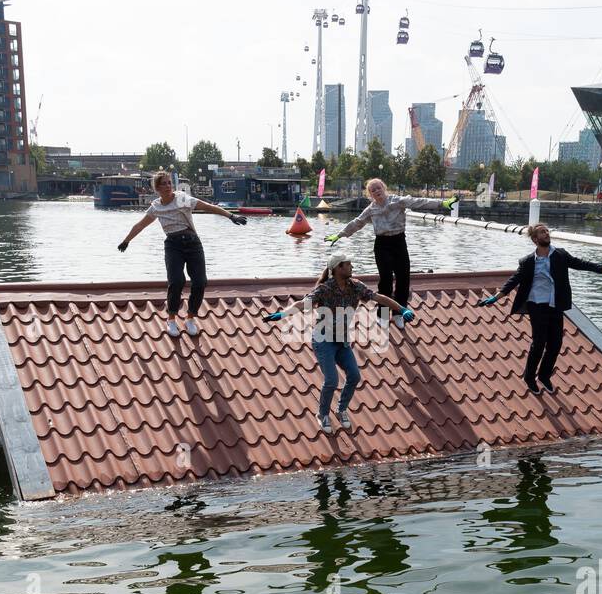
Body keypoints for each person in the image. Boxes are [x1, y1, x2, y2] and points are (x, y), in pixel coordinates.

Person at [264, 250, 412, 433]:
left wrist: (401, 309)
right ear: (338, 268)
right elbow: (303, 303)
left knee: (355, 376)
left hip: (342, 342)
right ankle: (322, 414)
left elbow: (378, 297)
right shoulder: (324, 289)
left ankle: (341, 409)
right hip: (323, 340)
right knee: (332, 380)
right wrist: (283, 314)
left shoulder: (355, 286)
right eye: (348, 264)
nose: (352, 267)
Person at [480, 223, 602, 394]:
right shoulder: (527, 262)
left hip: (554, 305)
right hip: (536, 305)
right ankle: (529, 376)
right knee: (539, 343)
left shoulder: (560, 255)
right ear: (535, 239)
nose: (547, 233)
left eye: (547, 231)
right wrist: (495, 298)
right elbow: (514, 280)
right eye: (542, 232)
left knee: (556, 344)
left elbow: (580, 263)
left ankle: (544, 375)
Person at [117, 170, 249, 337]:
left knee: (200, 282)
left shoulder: (182, 198)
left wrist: (230, 216)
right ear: (157, 188)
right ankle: (171, 320)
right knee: (176, 281)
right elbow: (139, 225)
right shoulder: (156, 207)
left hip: (193, 243)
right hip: (173, 245)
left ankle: (190, 318)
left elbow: (207, 207)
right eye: (163, 184)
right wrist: (126, 241)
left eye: (169, 183)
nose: (167, 186)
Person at [325, 178, 457, 328]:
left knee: (403, 278)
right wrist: (339, 235)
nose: (376, 191)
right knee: (386, 280)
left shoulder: (397, 201)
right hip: (382, 245)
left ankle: (398, 313)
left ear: (384, 188)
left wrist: (442, 203)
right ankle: (382, 314)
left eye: (378, 187)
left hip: (399, 242)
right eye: (372, 190)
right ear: (370, 194)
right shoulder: (371, 209)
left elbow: (418, 202)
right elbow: (357, 222)